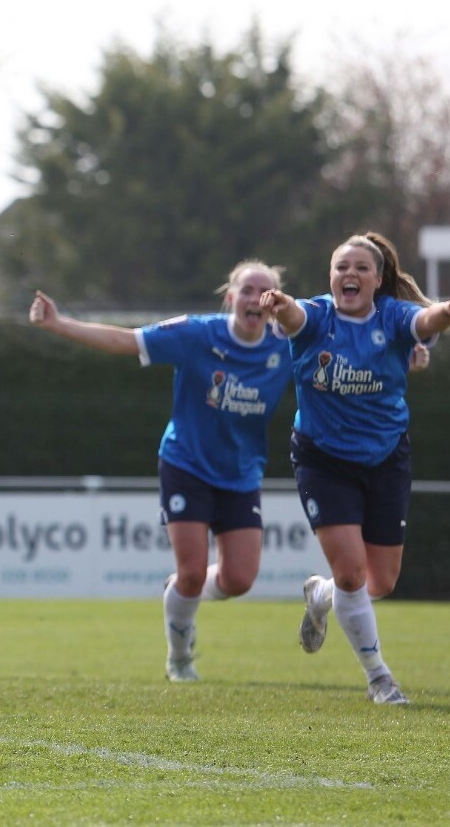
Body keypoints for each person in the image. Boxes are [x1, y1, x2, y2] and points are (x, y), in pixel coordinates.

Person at [30, 262, 294, 682]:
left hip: (241, 473)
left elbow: (342, 357)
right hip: (186, 464)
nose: (255, 299)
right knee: (192, 571)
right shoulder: (196, 333)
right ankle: (179, 658)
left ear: (277, 303)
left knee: (240, 579)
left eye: (265, 292)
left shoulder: (289, 346)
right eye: (247, 290)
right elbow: (125, 340)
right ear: (230, 297)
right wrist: (59, 323)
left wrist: (407, 352)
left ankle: (179, 593)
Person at [262, 233, 450, 705]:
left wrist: (449, 310)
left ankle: (321, 595)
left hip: (385, 456)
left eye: (361, 268)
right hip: (323, 458)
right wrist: (280, 305)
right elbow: (294, 316)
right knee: (354, 574)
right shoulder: (315, 315)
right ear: (330, 277)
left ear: (378, 280)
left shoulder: (394, 317)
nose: (349, 275)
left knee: (382, 581)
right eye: (341, 267)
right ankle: (379, 678)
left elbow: (425, 319)